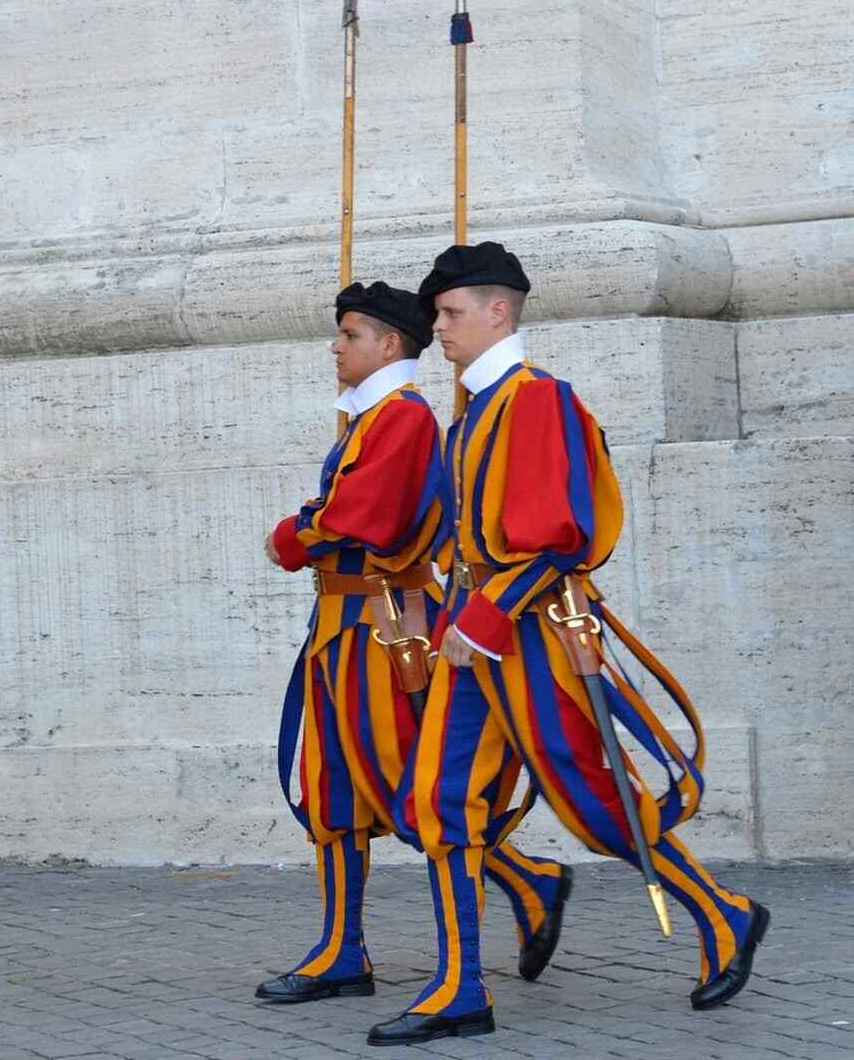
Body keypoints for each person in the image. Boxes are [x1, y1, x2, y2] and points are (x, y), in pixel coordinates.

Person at [367, 243, 770, 1047]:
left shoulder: (537, 399)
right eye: (437, 314)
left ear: (498, 312)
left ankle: (723, 912)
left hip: (529, 635)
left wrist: (484, 617)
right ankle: (459, 987)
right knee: (437, 801)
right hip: (472, 633)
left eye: (449, 313)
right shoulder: (473, 409)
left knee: (592, 801)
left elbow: (561, 534)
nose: (437, 327)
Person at [256, 280, 574, 1007]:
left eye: (350, 334)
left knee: (406, 780)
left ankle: (524, 884)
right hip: (342, 624)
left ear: (388, 344)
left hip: (385, 625)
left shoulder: (403, 416)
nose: (336, 347)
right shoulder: (375, 416)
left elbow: (365, 516)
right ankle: (342, 949)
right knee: (336, 786)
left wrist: (294, 534)